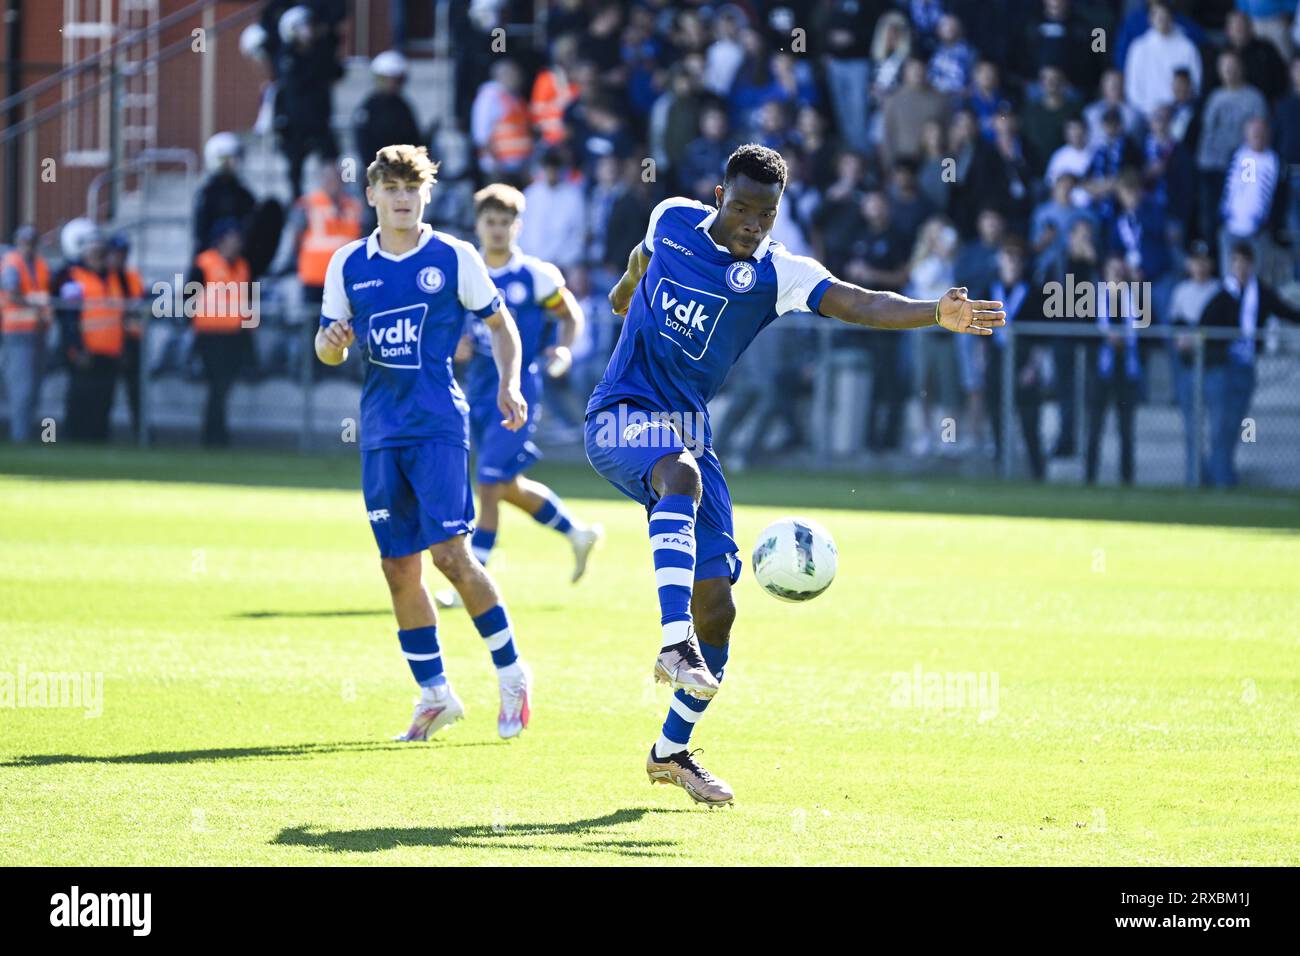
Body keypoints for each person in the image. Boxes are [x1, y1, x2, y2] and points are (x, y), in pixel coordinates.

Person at [585, 144, 1004, 804]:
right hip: (618, 414)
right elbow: (643, 256)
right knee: (681, 478)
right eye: (745, 209)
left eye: (768, 214)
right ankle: (673, 646)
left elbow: (860, 302)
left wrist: (933, 312)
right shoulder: (670, 218)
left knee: (718, 609)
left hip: (690, 432)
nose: (755, 225)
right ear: (719, 197)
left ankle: (670, 754)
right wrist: (622, 289)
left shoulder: (780, 273)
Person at [314, 145, 533, 741]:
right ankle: (435, 695)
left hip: (438, 425)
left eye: (413, 189)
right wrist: (332, 341)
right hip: (381, 432)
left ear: (426, 196)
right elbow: (327, 348)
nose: (403, 198)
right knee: (396, 565)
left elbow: (501, 324)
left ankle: (512, 676)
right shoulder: (349, 263)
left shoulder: (454, 257)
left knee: (451, 557)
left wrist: (509, 385)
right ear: (373, 196)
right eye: (391, 188)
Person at [434, 183, 601, 608]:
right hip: (477, 387)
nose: (497, 230)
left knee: (488, 481)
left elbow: (570, 315)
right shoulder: (467, 271)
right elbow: (452, 323)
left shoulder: (535, 275)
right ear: (478, 224)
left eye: (505, 222)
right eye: (490, 222)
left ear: (517, 226)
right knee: (504, 483)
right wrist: (458, 343)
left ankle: (474, 578)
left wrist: (563, 347)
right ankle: (575, 532)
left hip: (520, 386)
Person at [1198, 242, 1300, 487]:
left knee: (1236, 426)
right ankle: (1221, 479)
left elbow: (1286, 311)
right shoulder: (1222, 295)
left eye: (1244, 262)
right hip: (1222, 368)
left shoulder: (1262, 294)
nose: (1240, 267)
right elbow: (1204, 324)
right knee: (1220, 425)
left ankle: (1219, 475)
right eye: (1236, 262)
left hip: (1245, 367)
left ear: (1251, 265)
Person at [983, 237, 1048, 480]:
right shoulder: (989, 290)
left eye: (1015, 259)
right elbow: (980, 335)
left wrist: (1033, 366)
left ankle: (1037, 474)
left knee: (1030, 423)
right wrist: (982, 363)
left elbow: (1041, 337)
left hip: (1023, 362)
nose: (1011, 263)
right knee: (998, 420)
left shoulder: (1033, 293)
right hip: (997, 361)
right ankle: (1001, 471)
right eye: (1006, 257)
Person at [54, 220, 122, 442]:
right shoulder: (73, 278)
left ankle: (98, 440)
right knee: (81, 399)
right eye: (94, 250)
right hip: (85, 350)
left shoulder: (113, 276)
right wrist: (75, 348)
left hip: (109, 350)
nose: (99, 255)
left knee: (104, 401)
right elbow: (68, 318)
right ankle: (75, 439)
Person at [189, 220, 254, 448]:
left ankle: (217, 432)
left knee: (224, 386)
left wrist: (248, 333)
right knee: (216, 385)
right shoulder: (204, 263)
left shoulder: (242, 266)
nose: (237, 243)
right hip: (209, 333)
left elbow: (246, 301)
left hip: (233, 335)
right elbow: (189, 296)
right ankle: (213, 434)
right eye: (232, 238)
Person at [1084, 255, 1143, 485]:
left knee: (1126, 430)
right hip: (1101, 371)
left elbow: (1147, 329)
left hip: (1127, 372)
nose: (1116, 277)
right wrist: (1107, 337)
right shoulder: (1092, 299)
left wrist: (1125, 340)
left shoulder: (1136, 299)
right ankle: (1090, 478)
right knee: (1094, 427)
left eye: (1120, 273)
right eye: (1112, 272)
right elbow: (1084, 330)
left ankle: (1127, 478)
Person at [1169, 240, 1221, 486]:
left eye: (1204, 261)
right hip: (1189, 367)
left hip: (1214, 369)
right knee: (1191, 428)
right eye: (1196, 261)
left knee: (1219, 427)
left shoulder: (1219, 292)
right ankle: (1194, 479)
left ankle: (1220, 476)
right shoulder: (1181, 291)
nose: (1200, 266)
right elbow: (1176, 325)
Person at [0, 225, 51, 442]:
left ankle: (25, 434)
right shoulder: (12, 263)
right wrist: (37, 307)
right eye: (25, 242)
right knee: (23, 388)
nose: (28, 247)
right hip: (18, 334)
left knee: (34, 388)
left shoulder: (39, 265)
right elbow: (13, 295)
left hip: (38, 333)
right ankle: (20, 437)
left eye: (32, 243)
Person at [105, 233, 146, 439]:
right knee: (106, 391)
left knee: (136, 392)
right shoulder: (104, 277)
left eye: (123, 254)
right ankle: (101, 433)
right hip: (112, 342)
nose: (119, 258)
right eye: (116, 254)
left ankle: (141, 434)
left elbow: (141, 301)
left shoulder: (132, 277)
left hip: (132, 340)